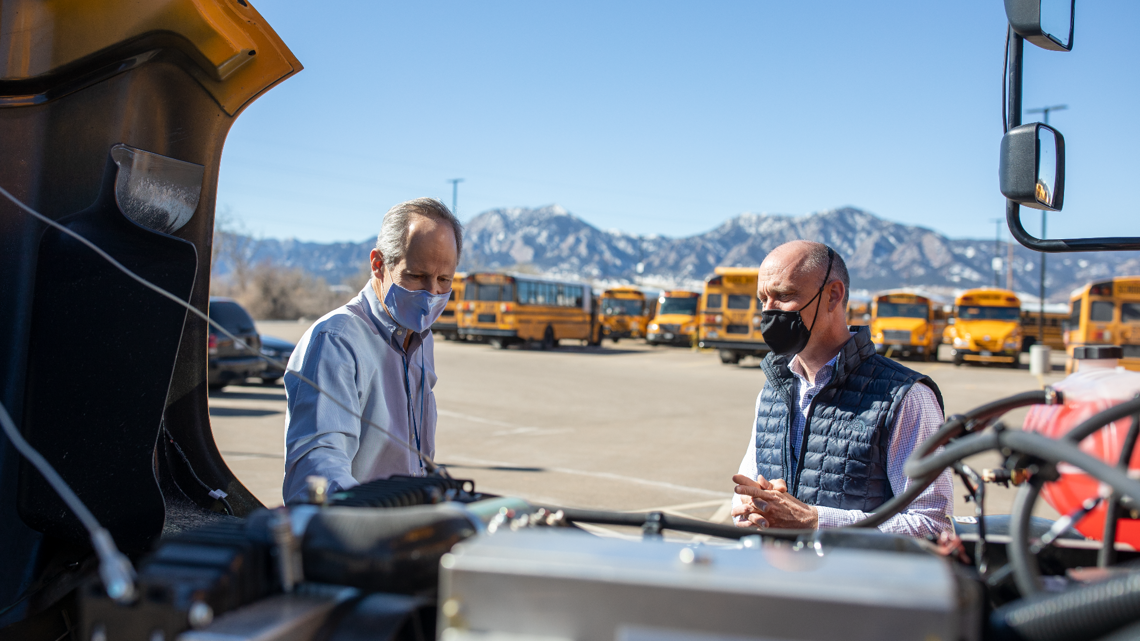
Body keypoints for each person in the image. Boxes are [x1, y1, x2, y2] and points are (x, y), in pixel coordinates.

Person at [731, 241, 954, 537]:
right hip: (779, 578)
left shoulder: (906, 397)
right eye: (763, 299)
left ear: (833, 296)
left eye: (784, 295)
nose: (769, 311)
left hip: (854, 582)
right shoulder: (772, 391)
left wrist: (815, 521)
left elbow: (932, 524)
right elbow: (744, 492)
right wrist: (753, 507)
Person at [282, 198, 461, 505]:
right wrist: (371, 518)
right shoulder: (337, 341)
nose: (432, 293)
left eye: (444, 280)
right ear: (379, 265)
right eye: (416, 276)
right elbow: (318, 467)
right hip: (360, 535)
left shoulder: (419, 338)